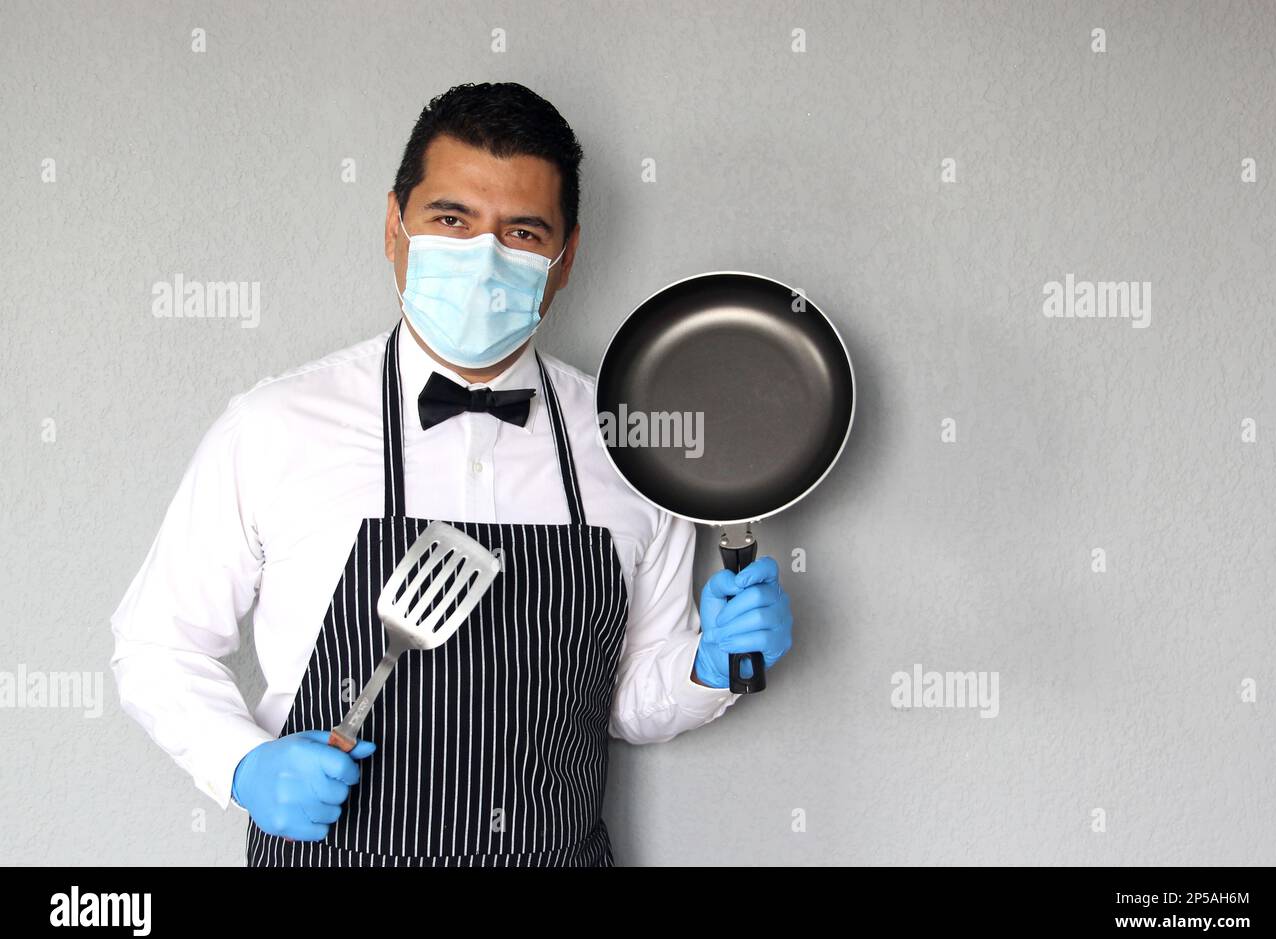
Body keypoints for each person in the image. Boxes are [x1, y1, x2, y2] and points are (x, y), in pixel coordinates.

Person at [109, 81, 793, 867]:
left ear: (566, 258)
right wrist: (242, 765)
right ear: (395, 226)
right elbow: (156, 645)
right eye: (452, 220)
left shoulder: (631, 444)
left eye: (523, 232)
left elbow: (628, 704)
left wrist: (710, 669)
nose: (485, 257)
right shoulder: (274, 428)